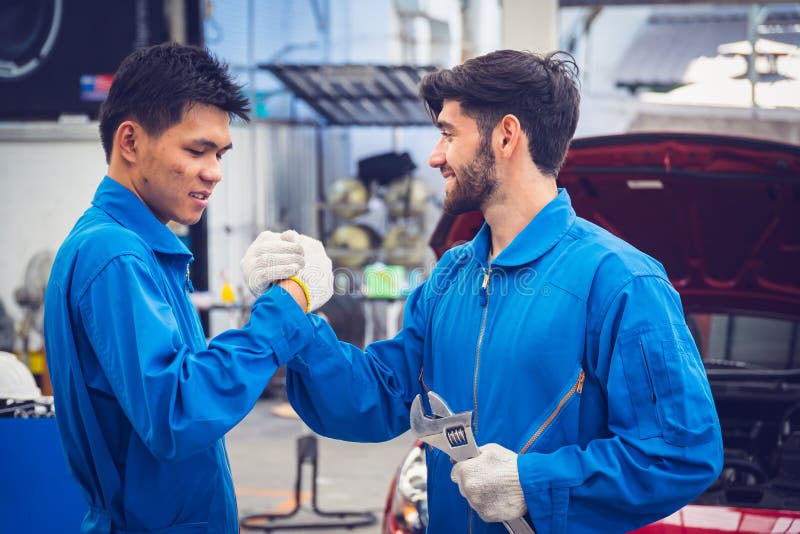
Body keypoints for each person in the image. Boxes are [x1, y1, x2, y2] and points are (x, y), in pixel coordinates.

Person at [243, 50, 723, 533]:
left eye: (449, 134)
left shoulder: (620, 282)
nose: (435, 156)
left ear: (506, 135)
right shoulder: (452, 276)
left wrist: (531, 482)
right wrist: (291, 309)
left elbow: (677, 454)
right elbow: (376, 397)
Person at [43, 43, 331, 534]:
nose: (214, 171)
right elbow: (177, 411)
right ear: (130, 142)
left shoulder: (134, 250)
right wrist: (288, 304)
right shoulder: (115, 255)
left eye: (220, 153)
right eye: (196, 150)